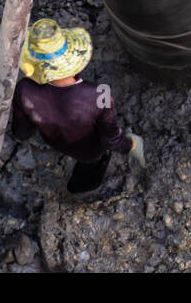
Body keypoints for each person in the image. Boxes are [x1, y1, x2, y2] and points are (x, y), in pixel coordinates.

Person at [11, 18, 145, 198]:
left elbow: (22, 132)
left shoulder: (24, 90)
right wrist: (132, 144)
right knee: (92, 167)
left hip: (53, 140)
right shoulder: (100, 94)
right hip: (89, 151)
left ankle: (77, 187)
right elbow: (110, 140)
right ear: (73, 59)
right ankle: (80, 191)